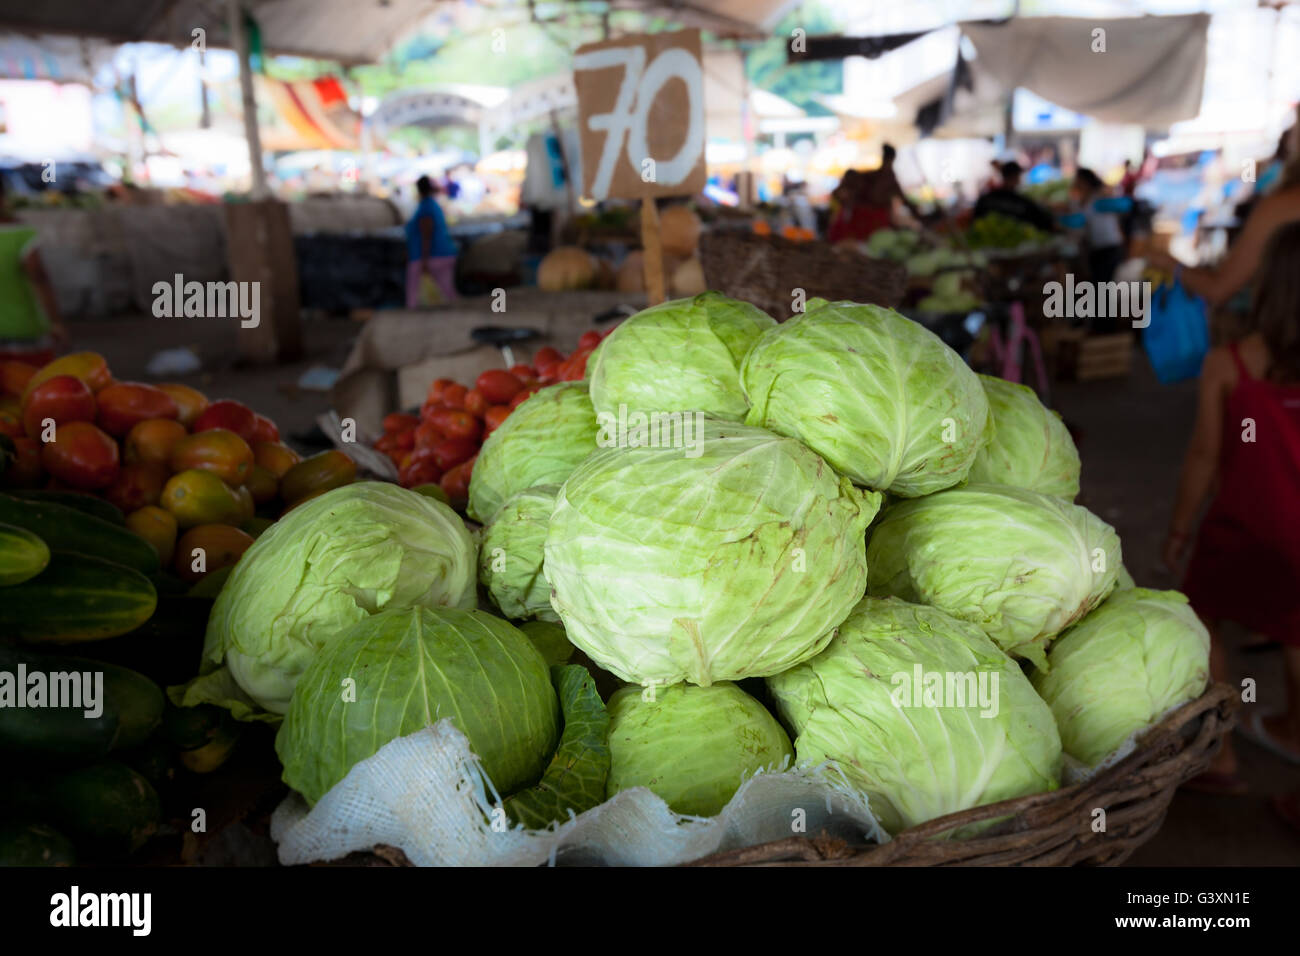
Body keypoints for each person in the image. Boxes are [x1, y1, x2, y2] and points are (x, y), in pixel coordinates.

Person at [1163, 221, 1300, 793]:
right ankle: (1293, 730)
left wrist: (1177, 531)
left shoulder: (1229, 364)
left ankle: (1220, 753)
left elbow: (1204, 456)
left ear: (1265, 286)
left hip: (1242, 529)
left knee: (1206, 618)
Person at [0, 176, 67, 364]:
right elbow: (39, 278)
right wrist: (56, 322)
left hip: (20, 333)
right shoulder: (20, 234)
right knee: (31, 388)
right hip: (23, 331)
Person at [827, 144, 921, 243]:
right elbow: (903, 199)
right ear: (892, 158)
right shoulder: (882, 177)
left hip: (870, 218)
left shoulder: (874, 176)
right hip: (871, 218)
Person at [404, 175, 458, 307]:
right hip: (443, 253)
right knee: (448, 292)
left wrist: (424, 260)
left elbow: (426, 235)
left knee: (413, 295)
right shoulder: (432, 205)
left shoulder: (426, 207)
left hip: (432, 255)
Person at [1073, 167, 1125, 285]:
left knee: (1102, 286)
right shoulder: (1082, 201)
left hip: (1109, 248)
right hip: (1095, 250)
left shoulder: (1100, 197)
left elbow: (1122, 204)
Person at [971, 160, 1056, 233]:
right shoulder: (1021, 202)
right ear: (1016, 177)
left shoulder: (986, 199)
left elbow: (975, 220)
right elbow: (1042, 220)